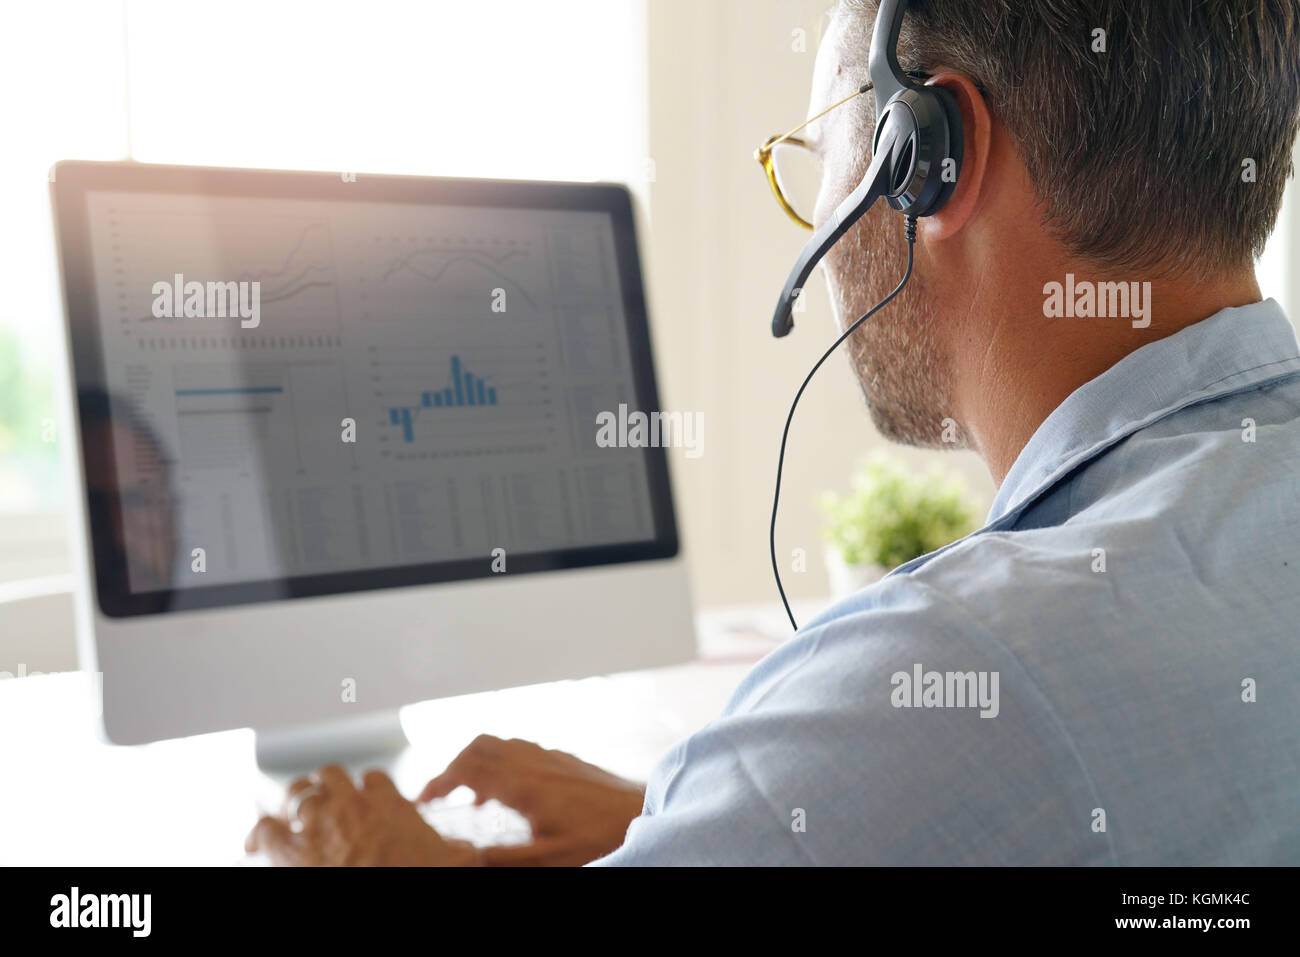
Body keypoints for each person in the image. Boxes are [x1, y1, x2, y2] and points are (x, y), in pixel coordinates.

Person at [248, 0, 1300, 865]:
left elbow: (983, 752)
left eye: (823, 147)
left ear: (928, 155)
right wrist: (713, 815)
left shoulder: (960, 672)